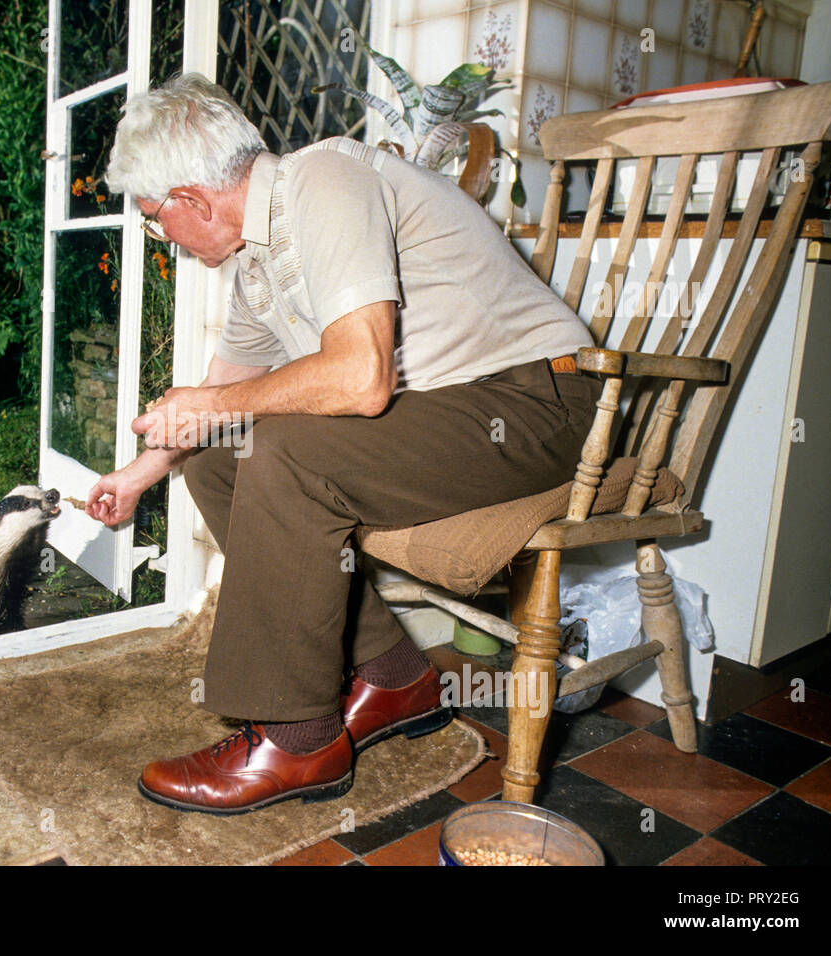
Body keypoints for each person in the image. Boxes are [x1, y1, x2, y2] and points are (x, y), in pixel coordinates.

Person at [86, 73, 599, 815]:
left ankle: (297, 740)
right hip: (452, 412)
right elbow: (222, 394)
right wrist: (141, 472)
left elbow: (361, 379)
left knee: (282, 452)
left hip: (537, 402)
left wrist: (219, 406)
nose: (159, 234)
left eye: (152, 217)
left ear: (191, 200)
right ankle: (392, 673)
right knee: (219, 455)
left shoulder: (325, 178)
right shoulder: (257, 258)